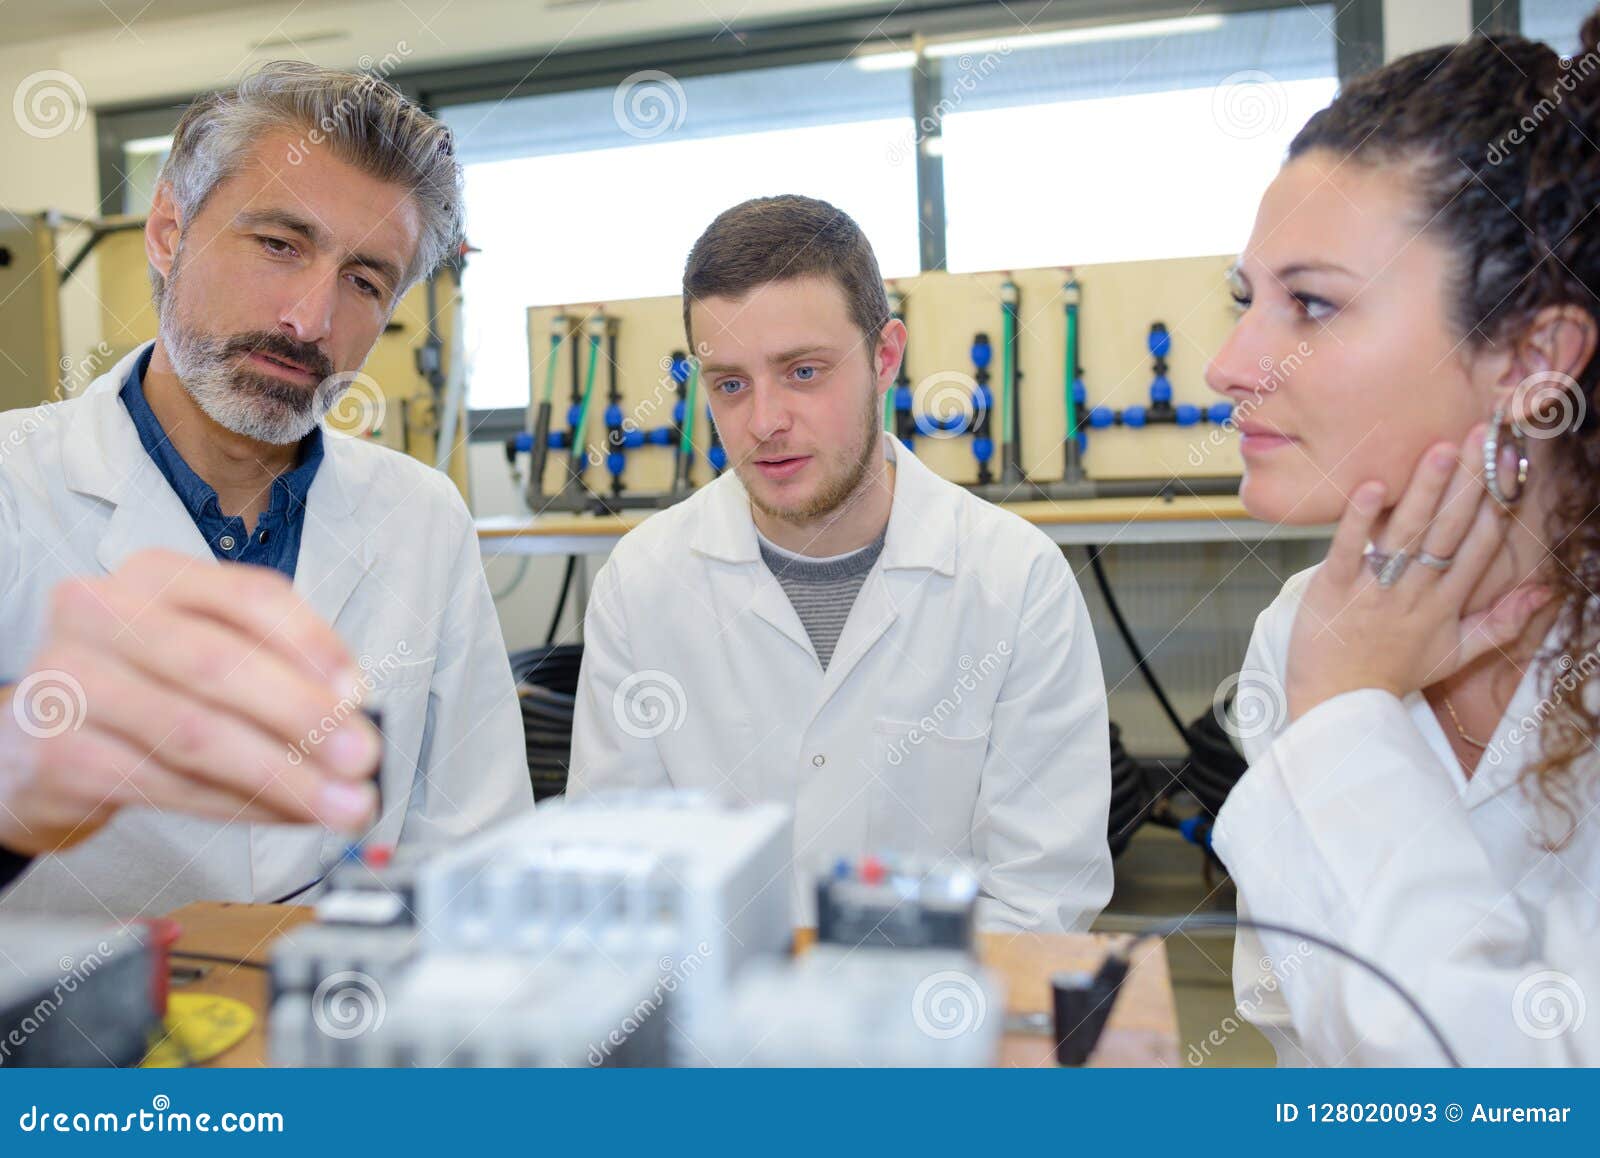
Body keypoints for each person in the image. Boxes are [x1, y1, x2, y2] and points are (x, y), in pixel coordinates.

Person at [0, 63, 531, 916]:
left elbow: (479, 844)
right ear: (169, 231)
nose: (310, 320)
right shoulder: (13, 485)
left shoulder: (422, 515)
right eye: (280, 244)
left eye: (364, 281)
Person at [1206, 15, 1600, 1064]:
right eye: (1246, 298)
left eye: (1311, 304)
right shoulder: (1308, 627)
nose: (1229, 364)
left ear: (1533, 357)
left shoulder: (1327, 664)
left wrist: (1343, 715)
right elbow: (1311, 1051)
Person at [567, 195, 1111, 932]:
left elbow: (1039, 898)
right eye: (730, 384)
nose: (765, 422)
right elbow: (618, 868)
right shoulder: (642, 583)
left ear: (885, 357)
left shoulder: (1016, 582)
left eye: (803, 371)